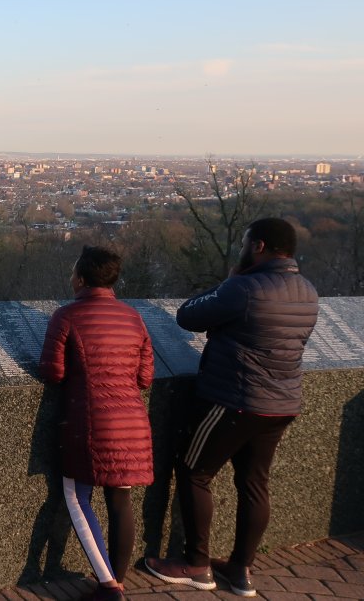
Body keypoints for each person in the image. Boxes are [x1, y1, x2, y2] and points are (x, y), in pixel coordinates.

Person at [145, 217, 318, 597]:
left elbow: (188, 315)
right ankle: (241, 570)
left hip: (236, 400)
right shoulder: (307, 290)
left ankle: (196, 564)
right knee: (254, 483)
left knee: (193, 470)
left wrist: (230, 281)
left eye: (245, 243)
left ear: (257, 246)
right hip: (282, 403)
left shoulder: (244, 288)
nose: (241, 249)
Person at [39, 245, 154, 601]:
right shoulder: (133, 317)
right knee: (121, 503)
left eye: (74, 269)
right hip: (132, 423)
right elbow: (145, 376)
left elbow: (53, 371)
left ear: (81, 278)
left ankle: (109, 586)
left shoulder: (67, 316)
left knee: (75, 496)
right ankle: (116, 577)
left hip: (90, 424)